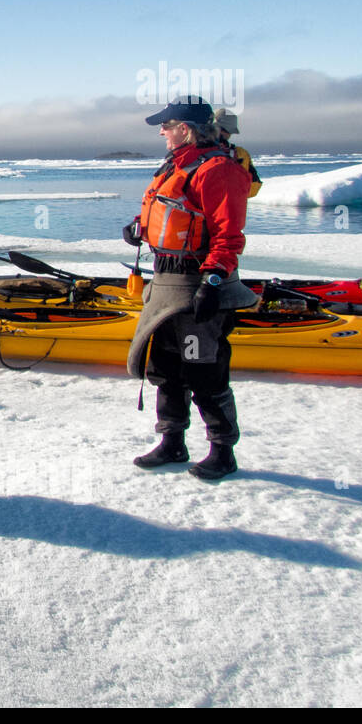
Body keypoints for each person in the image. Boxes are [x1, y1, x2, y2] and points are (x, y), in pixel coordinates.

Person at [122, 100, 259, 480]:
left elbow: (229, 235)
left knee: (204, 371)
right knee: (165, 369)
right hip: (165, 285)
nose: (161, 131)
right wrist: (139, 227)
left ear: (186, 127)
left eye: (166, 125)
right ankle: (172, 442)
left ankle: (222, 450)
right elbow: (167, 208)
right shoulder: (176, 164)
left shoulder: (218, 169)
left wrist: (213, 282)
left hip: (196, 283)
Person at [212, 108, 262, 197]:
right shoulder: (240, 154)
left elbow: (254, 187)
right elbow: (253, 187)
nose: (228, 135)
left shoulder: (240, 155)